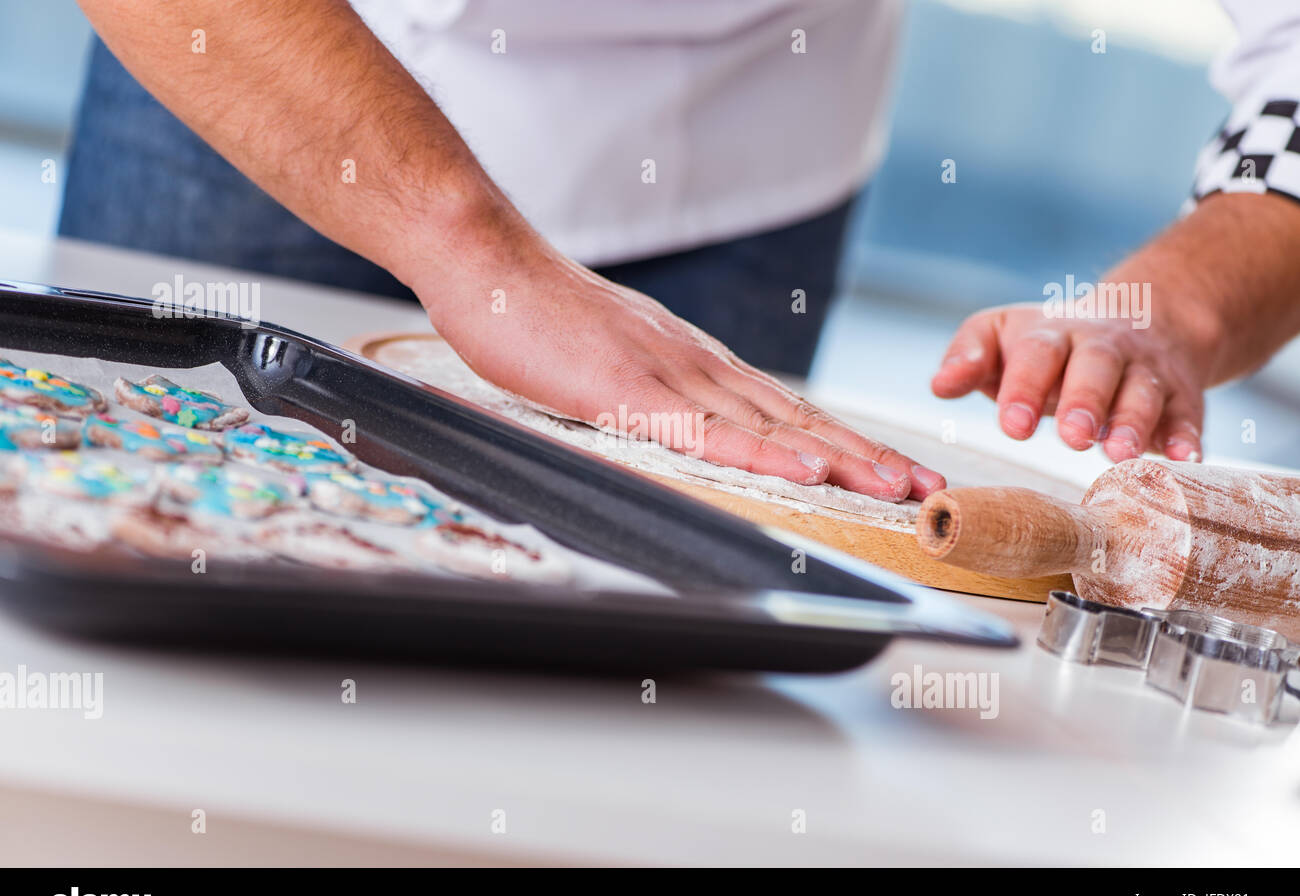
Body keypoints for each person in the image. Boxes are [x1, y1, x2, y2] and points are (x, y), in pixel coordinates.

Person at [59, 0, 1300, 504]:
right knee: (151, 522)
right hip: (274, 62)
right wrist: (473, 251)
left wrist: (1175, 308)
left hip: (728, 142)